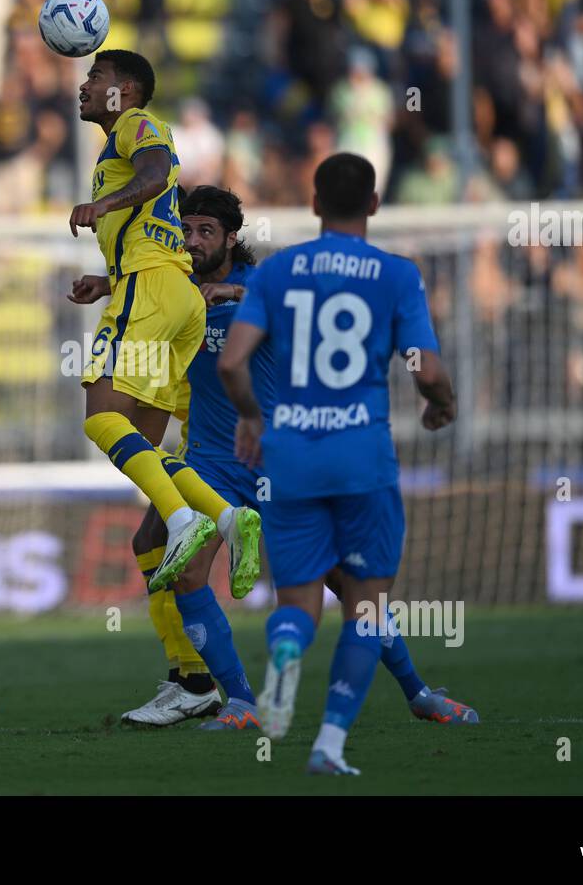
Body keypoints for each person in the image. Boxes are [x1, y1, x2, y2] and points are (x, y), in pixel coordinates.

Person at [218, 153, 477, 776]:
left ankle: (285, 650)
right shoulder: (396, 275)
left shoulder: (277, 272)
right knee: (365, 607)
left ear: (314, 204)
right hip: (362, 457)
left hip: (290, 457)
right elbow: (427, 370)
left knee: (297, 603)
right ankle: (329, 744)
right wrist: (441, 404)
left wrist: (252, 417)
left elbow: (231, 362)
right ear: (374, 204)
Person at [66, 50, 262, 595]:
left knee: (101, 421)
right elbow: (155, 230)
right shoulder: (119, 142)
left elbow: (155, 175)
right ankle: (226, 517)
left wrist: (104, 205)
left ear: (125, 89)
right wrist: (108, 280)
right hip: (172, 296)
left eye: (95, 76)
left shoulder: (137, 124)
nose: (84, 85)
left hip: (151, 294)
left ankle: (182, 521)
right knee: (141, 444)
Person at [118, 186, 273, 729]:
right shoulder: (181, 285)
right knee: (159, 549)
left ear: (231, 238)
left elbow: (292, 305)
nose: (191, 240)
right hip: (208, 454)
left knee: (337, 579)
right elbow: (143, 289)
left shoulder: (258, 287)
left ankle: (415, 688)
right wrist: (103, 285)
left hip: (272, 457)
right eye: (184, 229)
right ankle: (205, 687)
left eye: (205, 231)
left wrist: (235, 292)